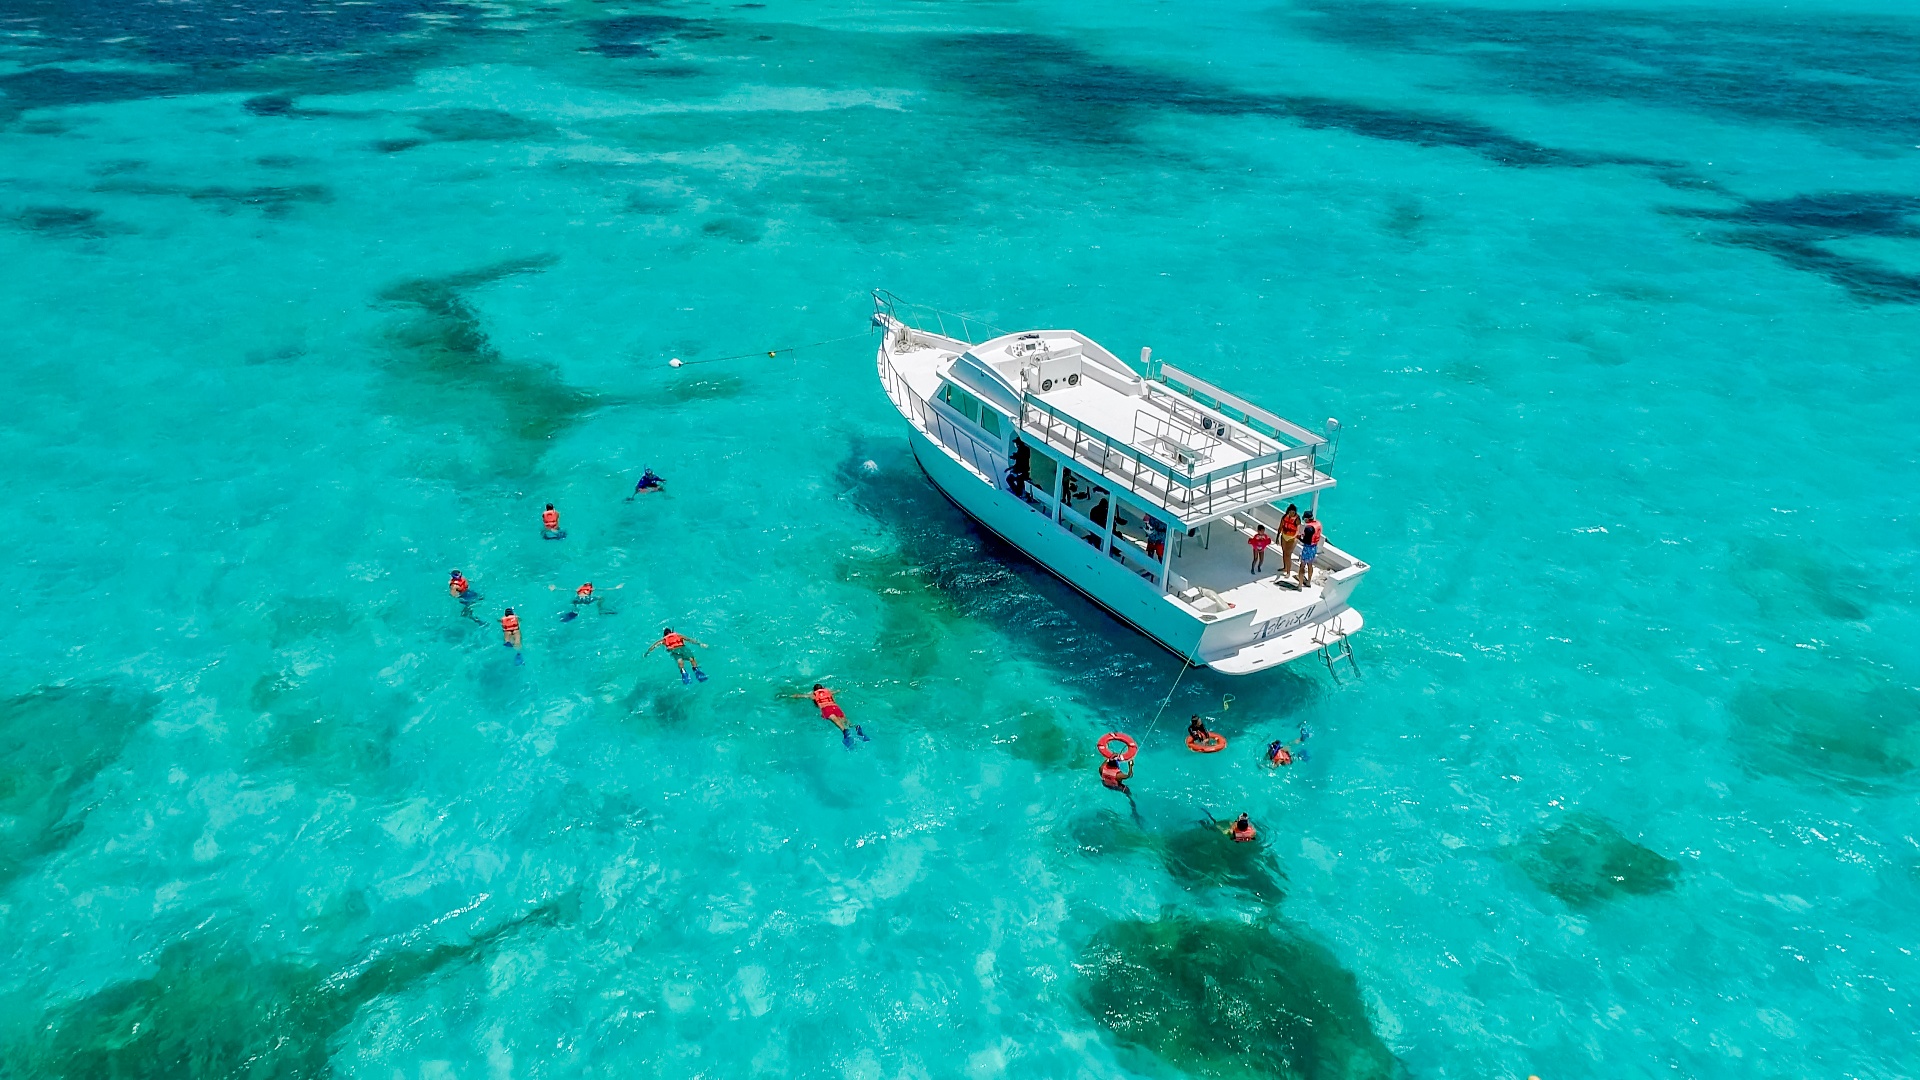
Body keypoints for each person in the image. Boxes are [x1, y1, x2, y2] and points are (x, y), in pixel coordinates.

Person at [789, 683, 868, 748]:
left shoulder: (813, 695)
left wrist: (791, 696)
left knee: (834, 719)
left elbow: (800, 696)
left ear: (814, 690)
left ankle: (845, 732)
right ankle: (855, 727)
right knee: (845, 720)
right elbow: (838, 691)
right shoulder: (829, 692)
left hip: (826, 708)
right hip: (835, 707)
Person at [1296, 511, 1324, 587]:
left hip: (1307, 548)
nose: (1304, 521)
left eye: (1304, 519)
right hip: (1314, 547)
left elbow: (1306, 541)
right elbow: (1312, 536)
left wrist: (1299, 538)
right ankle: (1308, 582)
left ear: (1307, 519)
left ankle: (1300, 585)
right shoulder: (1318, 524)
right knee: (1310, 564)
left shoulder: (1308, 528)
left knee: (1302, 565)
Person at [1277, 504, 1301, 578]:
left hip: (1292, 538)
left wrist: (1294, 536)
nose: (1292, 514)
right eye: (1290, 512)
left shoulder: (1297, 519)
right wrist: (1277, 537)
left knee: (1288, 555)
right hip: (1284, 537)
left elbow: (1297, 529)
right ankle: (1285, 568)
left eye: (1293, 512)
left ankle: (1288, 572)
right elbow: (1280, 527)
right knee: (1284, 553)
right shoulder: (1284, 517)